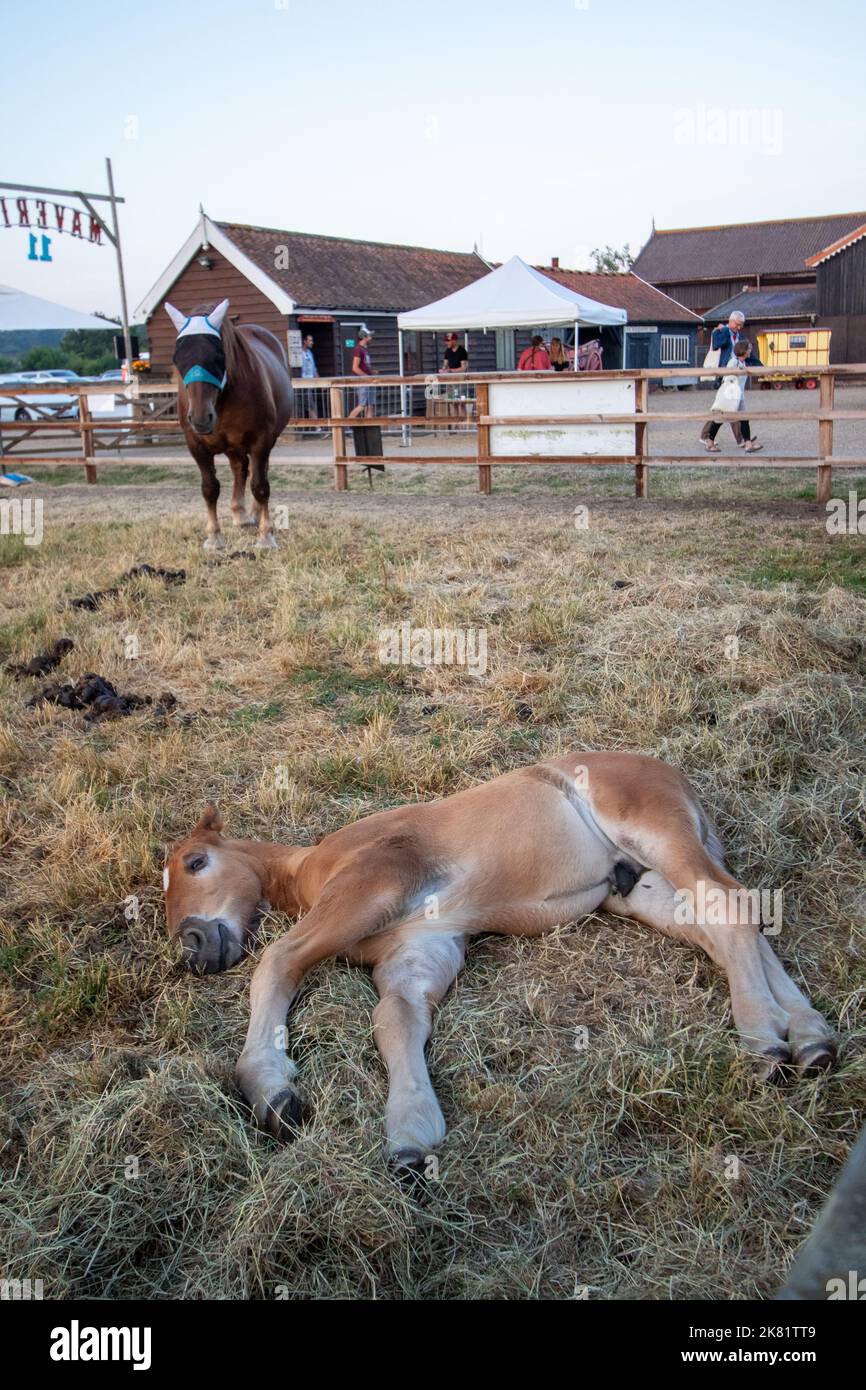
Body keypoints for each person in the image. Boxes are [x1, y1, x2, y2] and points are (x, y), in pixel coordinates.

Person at [701, 339, 763, 452]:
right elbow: (727, 376)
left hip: (739, 396)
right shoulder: (734, 362)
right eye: (749, 349)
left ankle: (748, 444)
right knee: (721, 418)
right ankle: (710, 441)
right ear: (744, 350)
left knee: (744, 419)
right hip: (731, 395)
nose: (750, 351)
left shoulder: (744, 363)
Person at [441, 332, 469, 426]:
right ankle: (455, 424)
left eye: (448, 341)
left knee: (461, 402)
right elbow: (445, 365)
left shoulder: (462, 351)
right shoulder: (447, 351)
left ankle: (464, 424)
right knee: (452, 402)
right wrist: (443, 370)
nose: (447, 343)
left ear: (454, 341)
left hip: (460, 380)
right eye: (446, 341)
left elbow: (463, 368)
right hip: (450, 380)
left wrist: (450, 370)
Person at [348, 327, 375, 419]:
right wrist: (367, 377)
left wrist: (372, 372)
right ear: (364, 337)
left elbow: (364, 365)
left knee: (370, 405)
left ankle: (369, 430)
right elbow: (355, 368)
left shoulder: (364, 349)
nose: (371, 338)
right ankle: (346, 425)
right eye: (369, 336)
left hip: (369, 381)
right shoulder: (358, 349)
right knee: (362, 405)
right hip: (363, 381)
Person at [300, 333, 321, 434]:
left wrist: (318, 379)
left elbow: (314, 368)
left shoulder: (309, 353)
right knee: (310, 405)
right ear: (304, 341)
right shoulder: (300, 353)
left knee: (310, 405)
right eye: (310, 340)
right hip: (304, 382)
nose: (312, 342)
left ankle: (311, 427)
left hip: (311, 382)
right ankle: (318, 428)